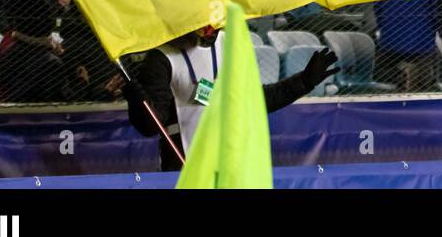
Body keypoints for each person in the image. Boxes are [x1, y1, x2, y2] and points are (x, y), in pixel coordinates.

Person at [124, 24, 338, 170]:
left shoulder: (228, 42)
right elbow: (153, 125)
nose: (209, 25)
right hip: (184, 164)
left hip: (232, 161)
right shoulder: (160, 57)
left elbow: (253, 100)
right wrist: (138, 103)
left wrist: (303, 82)